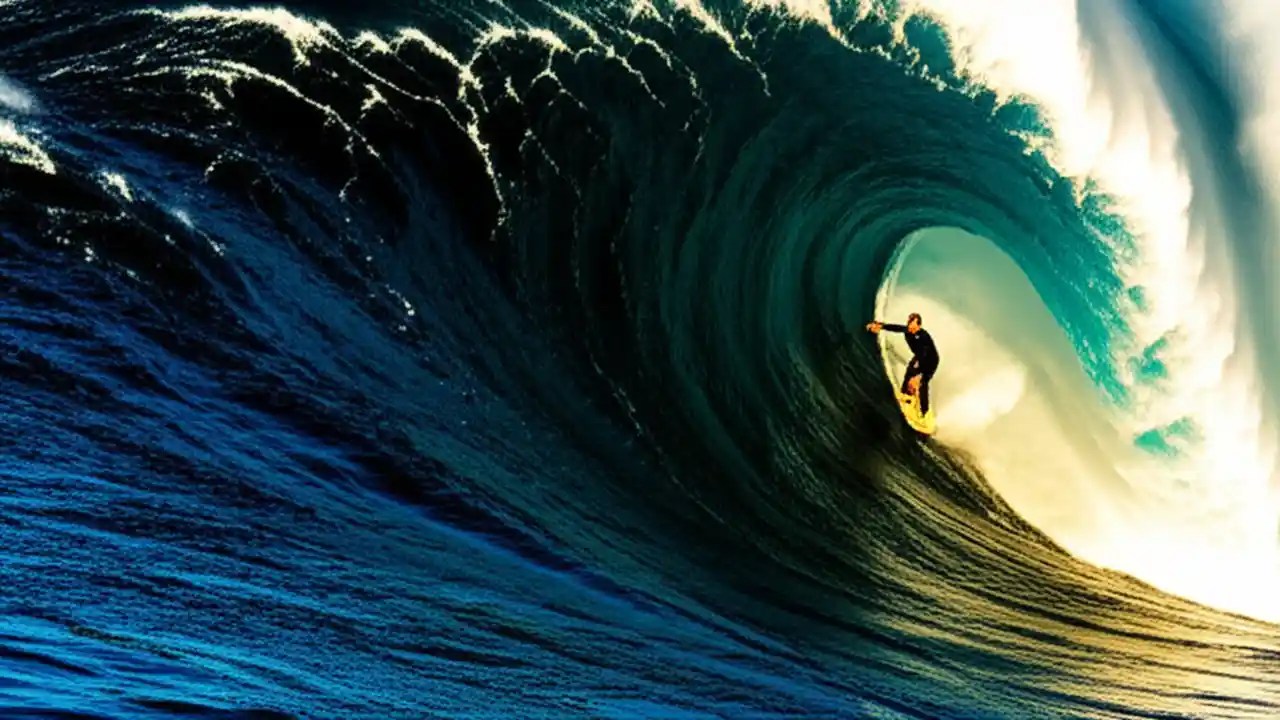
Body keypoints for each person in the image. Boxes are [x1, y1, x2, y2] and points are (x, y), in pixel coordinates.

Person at [865, 312, 940, 414]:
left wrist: (919, 373)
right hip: (919, 357)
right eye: (909, 323)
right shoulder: (907, 330)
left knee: (922, 382)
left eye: (913, 324)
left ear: (919, 325)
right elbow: (895, 328)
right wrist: (880, 326)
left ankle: (924, 410)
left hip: (931, 361)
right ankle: (905, 394)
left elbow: (925, 352)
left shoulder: (924, 336)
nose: (910, 327)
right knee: (909, 371)